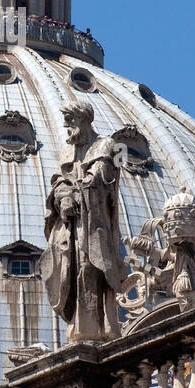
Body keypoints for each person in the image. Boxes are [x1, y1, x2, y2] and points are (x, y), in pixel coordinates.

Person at [42, 101, 124, 342]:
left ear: (85, 120)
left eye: (71, 122)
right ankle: (82, 323)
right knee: (69, 268)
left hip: (94, 221)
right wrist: (62, 195)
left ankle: (94, 325)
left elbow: (101, 178)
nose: (67, 129)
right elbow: (60, 180)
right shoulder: (70, 150)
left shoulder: (106, 145)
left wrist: (74, 192)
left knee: (90, 267)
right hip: (73, 224)